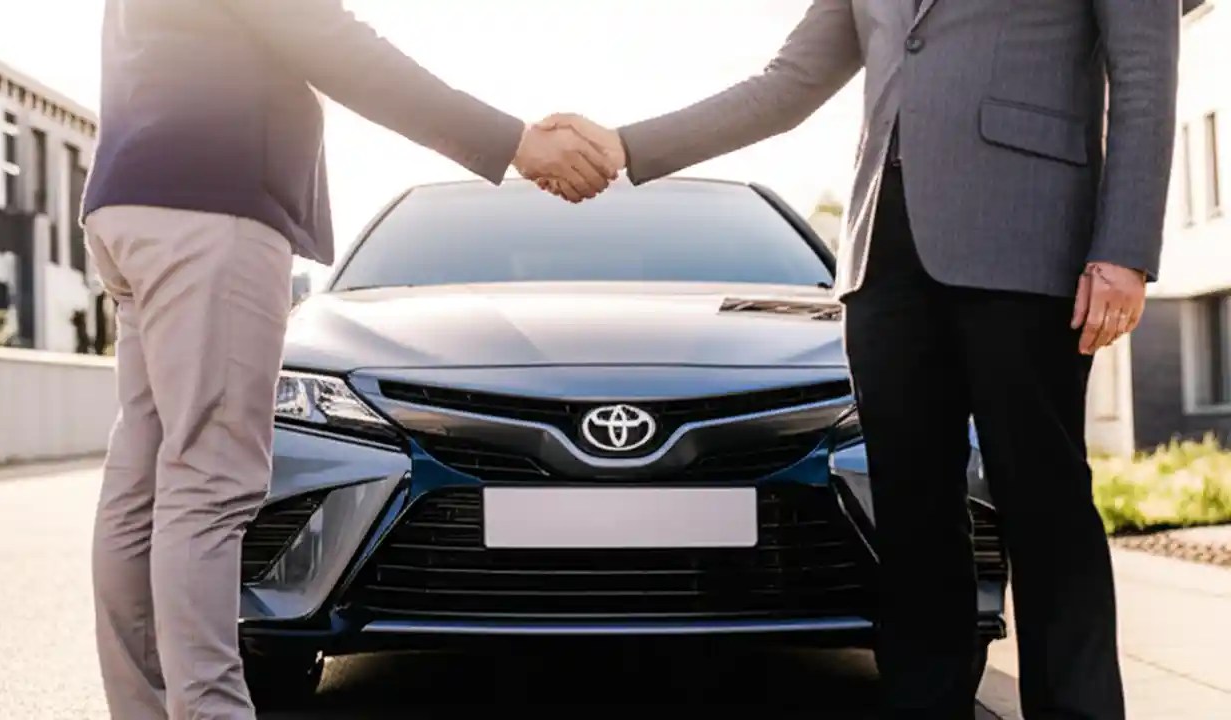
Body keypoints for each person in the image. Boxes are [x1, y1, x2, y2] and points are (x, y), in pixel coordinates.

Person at [540, 2, 1179, 718]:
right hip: (883, 264)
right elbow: (788, 84)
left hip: (1028, 244)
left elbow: (1146, 72)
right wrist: (626, 146)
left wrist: (1124, 249)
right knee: (911, 516)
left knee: (1044, 507)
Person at [80, 1, 616, 718]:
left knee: (141, 484)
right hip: (213, 205)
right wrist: (515, 142)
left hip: (130, 197)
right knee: (210, 484)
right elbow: (336, 44)